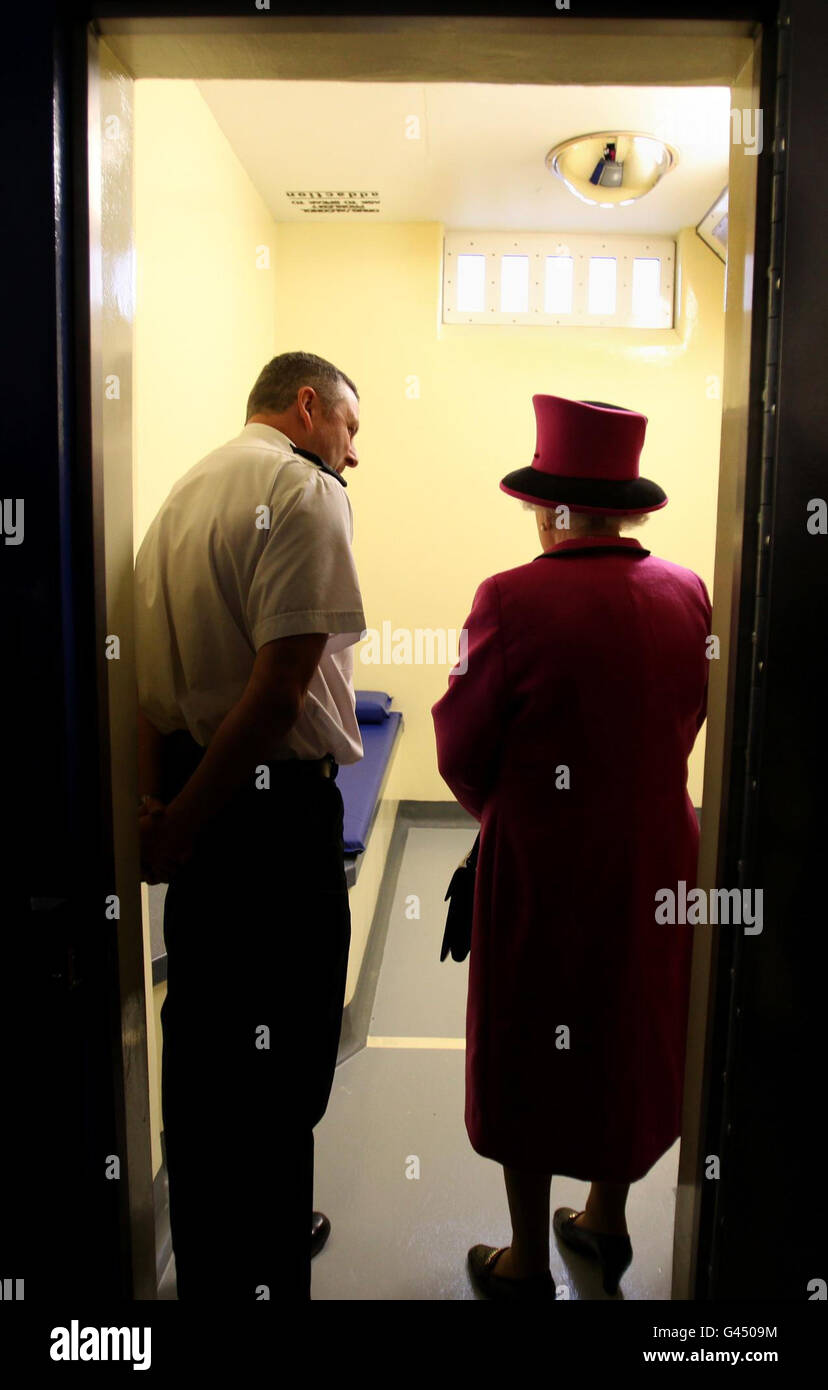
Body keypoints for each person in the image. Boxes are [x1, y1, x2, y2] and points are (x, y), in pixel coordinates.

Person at [431, 394, 712, 1301]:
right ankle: (606, 1220)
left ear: (550, 509)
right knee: (632, 1026)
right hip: (661, 856)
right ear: (628, 505)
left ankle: (523, 1258)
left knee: (530, 1040)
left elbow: (460, 746)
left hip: (547, 868)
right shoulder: (687, 592)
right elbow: (691, 719)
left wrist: (507, 815)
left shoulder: (510, 599)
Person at [135, 350, 365, 1302]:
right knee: (284, 1070)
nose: (355, 453)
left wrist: (171, 816)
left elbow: (151, 691)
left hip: (202, 804)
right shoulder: (304, 491)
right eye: (351, 427)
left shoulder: (180, 497)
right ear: (308, 408)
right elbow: (276, 695)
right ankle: (268, 1266)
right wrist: (186, 820)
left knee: (205, 1058)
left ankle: (213, 1265)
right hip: (267, 823)